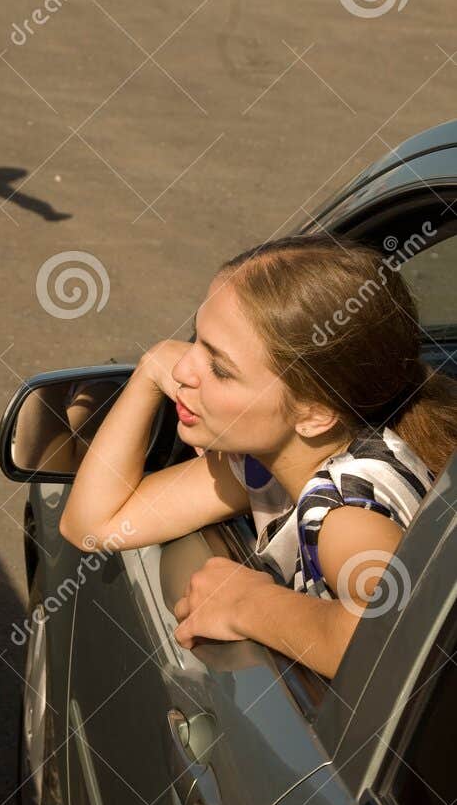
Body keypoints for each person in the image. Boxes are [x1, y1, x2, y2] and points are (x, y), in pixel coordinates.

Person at [60, 234, 457, 680]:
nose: (182, 370)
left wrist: (249, 604)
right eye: (196, 343)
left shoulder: (347, 513)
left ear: (314, 413)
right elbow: (93, 525)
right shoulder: (269, 464)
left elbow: (393, 644)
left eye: (220, 368)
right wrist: (151, 367)